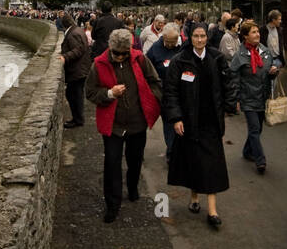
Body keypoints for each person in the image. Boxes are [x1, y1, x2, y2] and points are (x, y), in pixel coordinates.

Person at [164, 25, 237, 228]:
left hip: (211, 119)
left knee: (212, 163)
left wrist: (229, 106)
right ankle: (194, 196)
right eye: (195, 36)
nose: (199, 40)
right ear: (190, 38)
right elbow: (170, 91)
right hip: (189, 120)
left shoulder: (216, 57)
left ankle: (212, 210)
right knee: (194, 160)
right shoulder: (180, 60)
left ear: (207, 37)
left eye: (202, 36)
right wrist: (176, 118)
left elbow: (228, 82)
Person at [86, 28, 163, 223]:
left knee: (135, 159)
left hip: (137, 122)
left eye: (124, 53)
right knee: (112, 163)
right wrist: (110, 94)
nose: (120, 57)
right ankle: (112, 205)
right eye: (116, 53)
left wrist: (151, 98)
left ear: (129, 49)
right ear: (110, 49)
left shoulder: (140, 60)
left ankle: (133, 187)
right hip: (113, 124)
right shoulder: (99, 64)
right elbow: (90, 92)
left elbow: (155, 82)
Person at [228, 20, 282, 174]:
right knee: (254, 129)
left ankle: (247, 151)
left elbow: (268, 75)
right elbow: (234, 79)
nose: (257, 34)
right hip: (247, 97)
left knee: (257, 130)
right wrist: (235, 99)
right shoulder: (240, 56)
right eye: (253, 32)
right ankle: (260, 160)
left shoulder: (265, 52)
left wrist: (273, 73)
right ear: (245, 36)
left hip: (262, 96)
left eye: (258, 32)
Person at [146, 23, 188, 161]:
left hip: (183, 93)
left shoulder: (184, 46)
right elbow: (146, 69)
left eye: (173, 41)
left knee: (184, 123)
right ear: (162, 37)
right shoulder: (155, 49)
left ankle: (182, 150)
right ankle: (172, 152)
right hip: (165, 95)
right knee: (170, 124)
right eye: (167, 41)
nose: (170, 45)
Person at [60, 11, 92, 128]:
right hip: (82, 68)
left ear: (64, 25)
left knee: (74, 94)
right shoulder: (78, 30)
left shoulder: (73, 34)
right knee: (76, 94)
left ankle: (78, 120)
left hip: (77, 70)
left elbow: (78, 50)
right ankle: (78, 118)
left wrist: (65, 56)